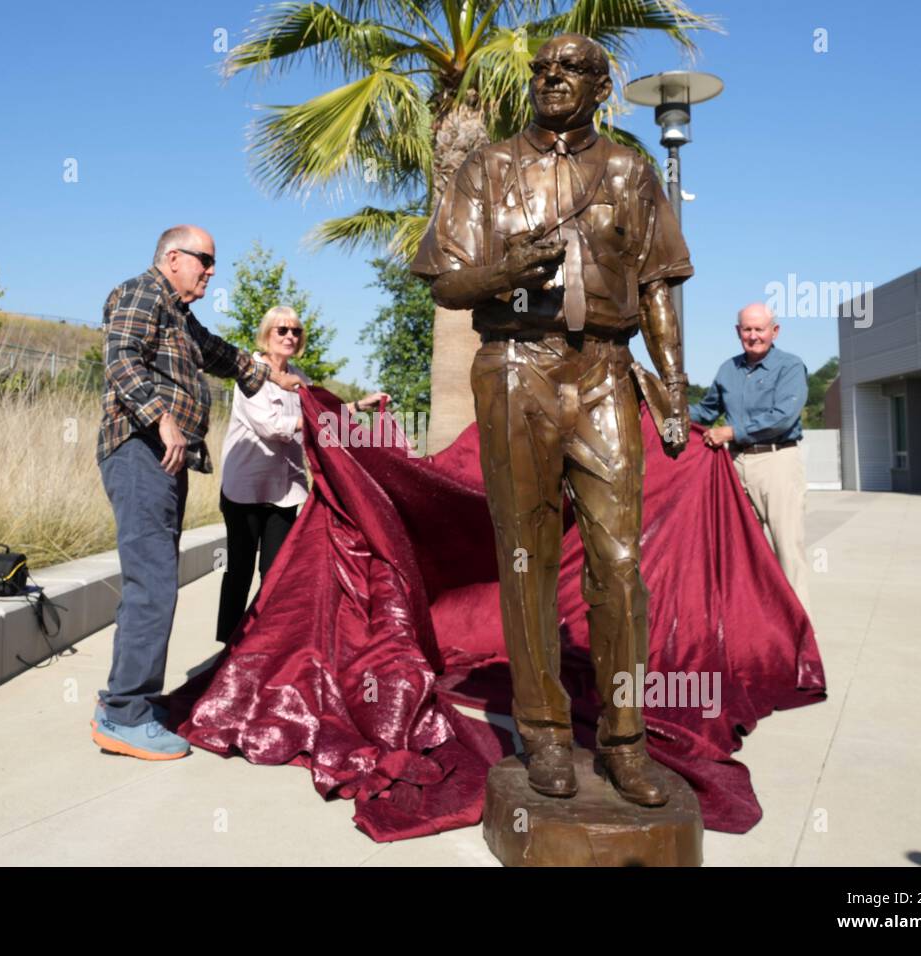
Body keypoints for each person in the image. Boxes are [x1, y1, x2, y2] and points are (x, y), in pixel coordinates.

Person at [411, 33, 692, 805]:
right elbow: (445, 282)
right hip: (514, 364)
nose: (551, 79)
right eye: (542, 70)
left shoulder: (631, 171)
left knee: (621, 562)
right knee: (527, 554)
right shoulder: (488, 167)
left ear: (602, 86)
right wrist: (502, 274)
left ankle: (626, 739)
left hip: (603, 367)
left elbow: (662, 283)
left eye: (570, 70)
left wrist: (674, 381)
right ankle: (542, 734)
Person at [92, 225, 302, 761]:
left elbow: (228, 358)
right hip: (140, 451)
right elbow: (120, 359)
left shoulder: (179, 317)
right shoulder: (142, 292)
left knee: (154, 577)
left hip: (164, 459)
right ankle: (123, 714)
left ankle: (125, 701)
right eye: (204, 260)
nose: (212, 271)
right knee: (154, 581)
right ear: (172, 257)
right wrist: (160, 416)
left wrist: (287, 382)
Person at [216, 305, 387, 643]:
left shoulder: (300, 379)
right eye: (282, 330)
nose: (290, 336)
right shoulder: (250, 374)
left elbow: (325, 416)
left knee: (277, 573)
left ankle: (262, 645)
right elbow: (271, 427)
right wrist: (317, 418)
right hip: (245, 488)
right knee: (239, 569)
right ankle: (227, 646)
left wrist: (358, 407)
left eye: (295, 331)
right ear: (267, 335)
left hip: (285, 489)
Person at [690, 303, 811, 615]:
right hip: (735, 466)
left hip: (777, 462)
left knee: (787, 550)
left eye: (760, 329)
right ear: (737, 331)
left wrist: (731, 432)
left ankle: (799, 635)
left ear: (775, 331)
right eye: (747, 329)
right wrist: (663, 410)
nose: (753, 336)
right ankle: (754, 629)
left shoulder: (790, 367)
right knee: (742, 551)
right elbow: (704, 411)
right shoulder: (728, 370)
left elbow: (782, 418)